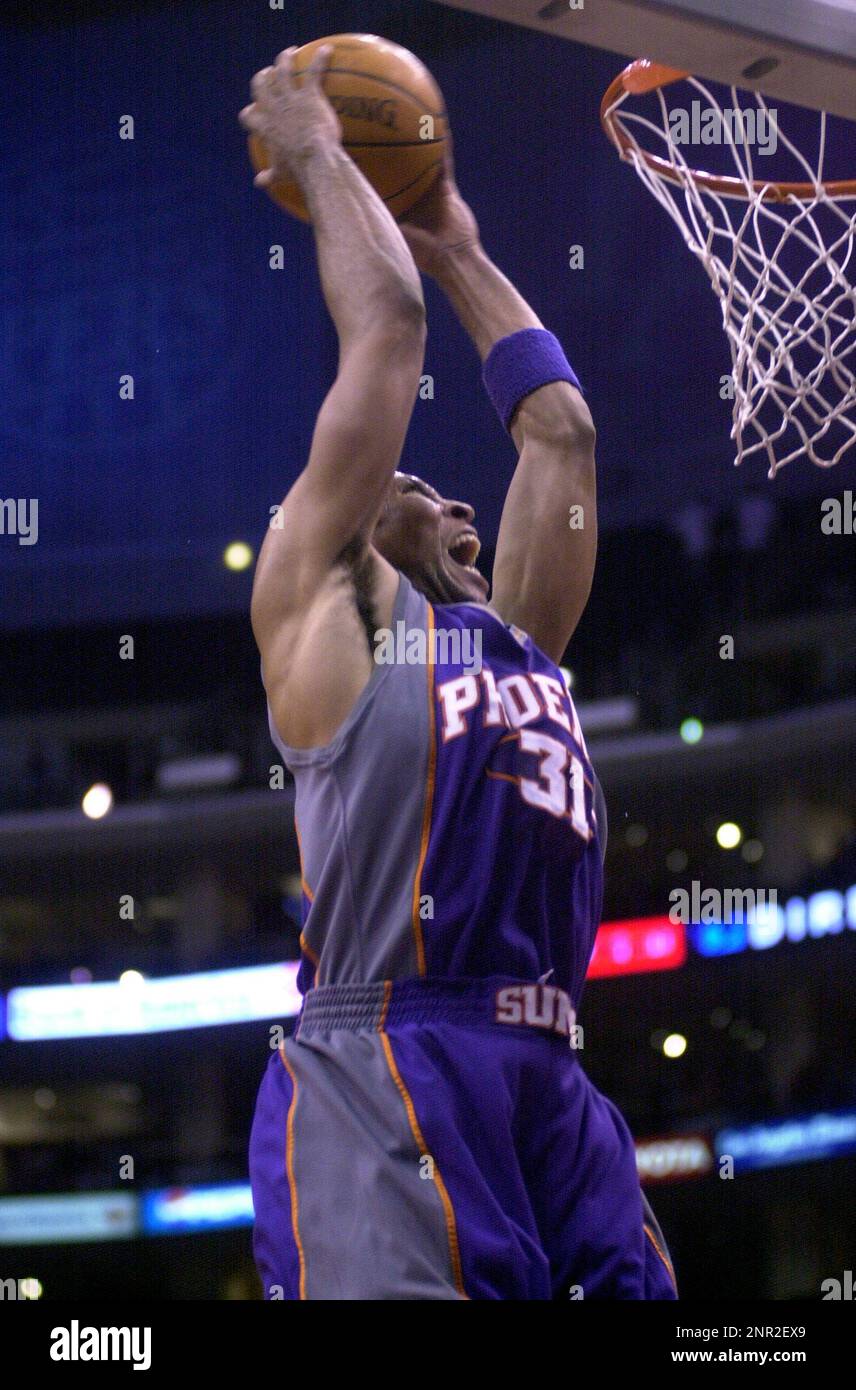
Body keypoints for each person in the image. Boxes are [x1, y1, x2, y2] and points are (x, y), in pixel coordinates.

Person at [240, 45, 677, 1300]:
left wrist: (452, 239)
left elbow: (561, 432)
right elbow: (385, 331)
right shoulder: (328, 616)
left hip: (546, 1069)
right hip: (386, 1056)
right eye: (418, 491)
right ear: (351, 523)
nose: (461, 506)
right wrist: (322, 153)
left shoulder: (520, 645)